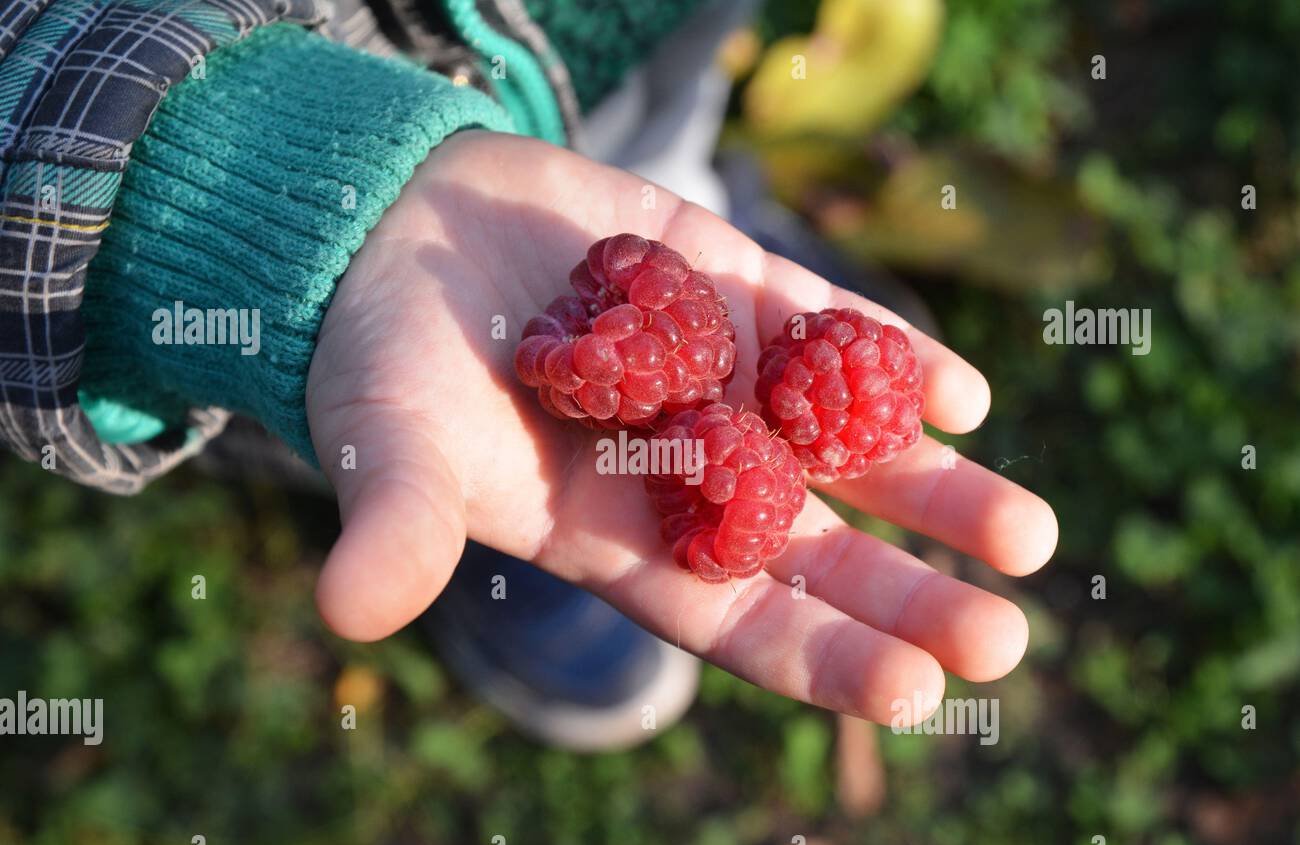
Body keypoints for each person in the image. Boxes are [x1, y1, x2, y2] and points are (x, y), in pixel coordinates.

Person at [0, 0, 1057, 749]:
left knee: (659, 115)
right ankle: (483, 519)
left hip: (610, 50)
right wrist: (232, 163)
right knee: (401, 415)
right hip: (293, 122)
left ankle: (695, 193)